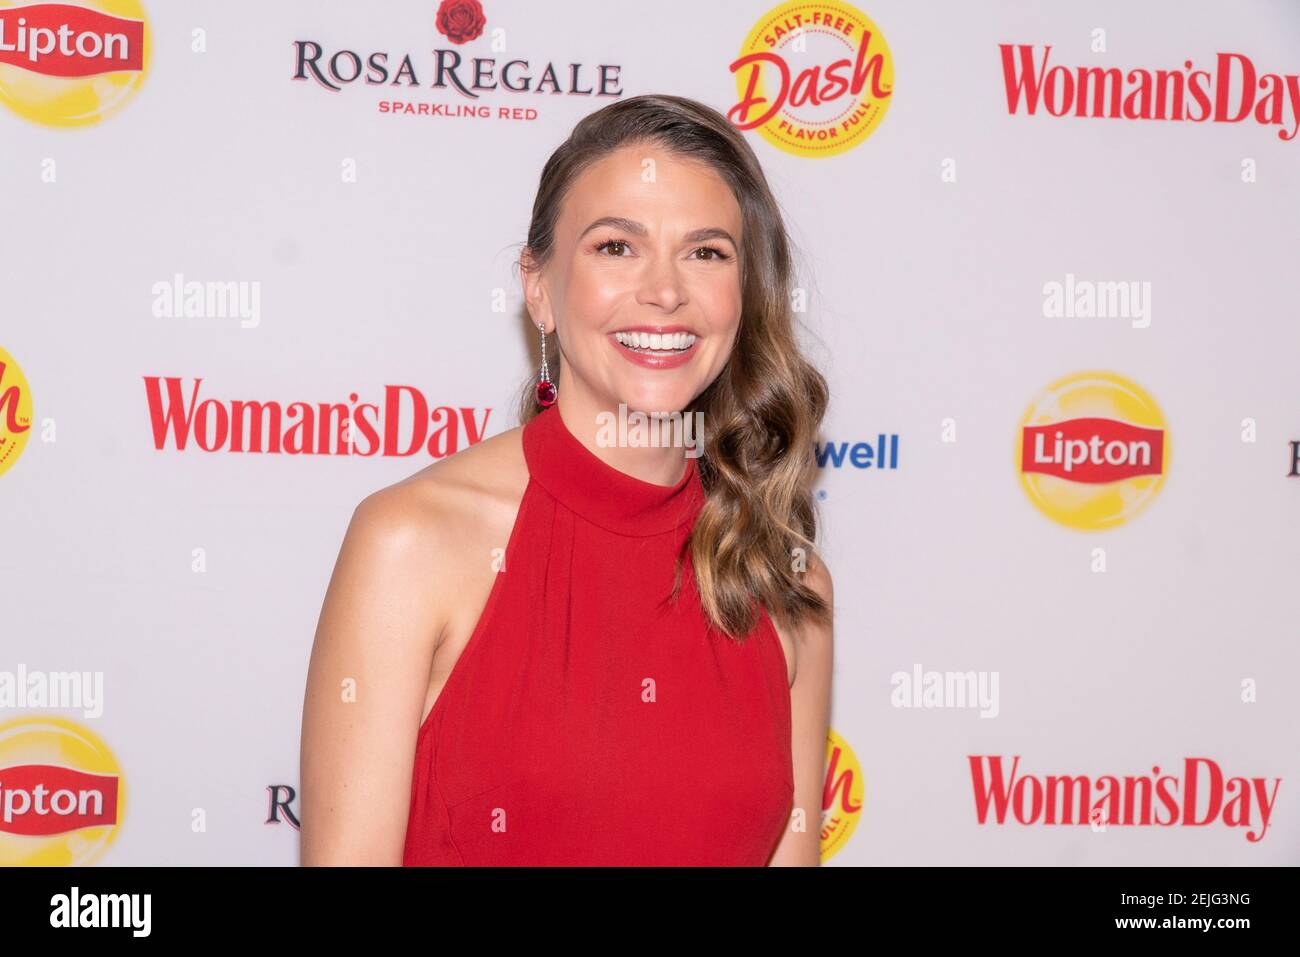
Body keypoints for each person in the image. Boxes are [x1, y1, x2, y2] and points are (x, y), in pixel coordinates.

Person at [299, 93, 833, 866]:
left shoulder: (785, 581)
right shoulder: (412, 541)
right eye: (617, 246)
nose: (665, 291)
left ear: (745, 296)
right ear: (539, 287)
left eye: (707, 252)